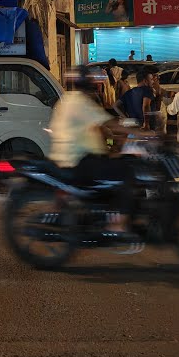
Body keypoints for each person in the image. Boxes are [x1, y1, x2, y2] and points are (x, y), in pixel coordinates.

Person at [50, 67, 135, 235]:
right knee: (126, 172)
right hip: (80, 160)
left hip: (65, 158)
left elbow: (97, 128)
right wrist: (142, 132)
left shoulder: (66, 100)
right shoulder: (81, 102)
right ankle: (116, 225)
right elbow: (108, 123)